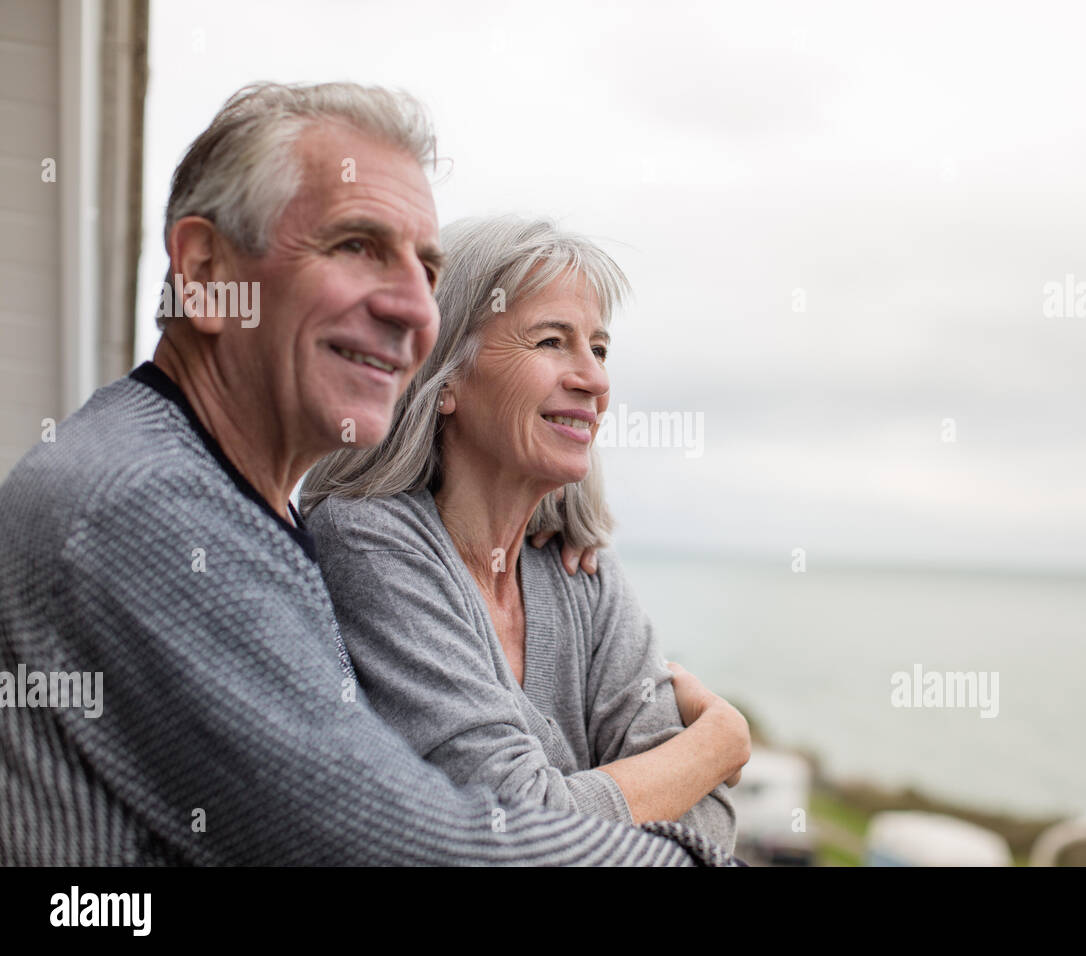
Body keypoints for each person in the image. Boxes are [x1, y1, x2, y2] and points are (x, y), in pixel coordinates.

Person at [0, 81, 735, 866]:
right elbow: (424, 848)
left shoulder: (233, 503)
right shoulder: (144, 509)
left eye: (424, 268)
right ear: (208, 272)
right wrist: (713, 768)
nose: (414, 309)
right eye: (356, 246)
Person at [300, 216, 748, 852]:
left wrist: (595, 818)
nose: (593, 379)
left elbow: (713, 827)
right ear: (443, 376)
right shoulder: (368, 543)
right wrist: (716, 745)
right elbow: (514, 830)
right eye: (550, 342)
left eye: (598, 348)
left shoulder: (581, 569)